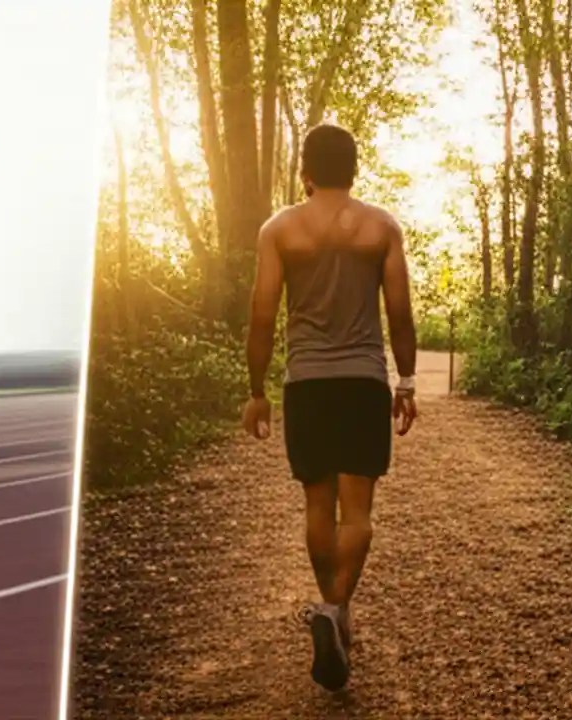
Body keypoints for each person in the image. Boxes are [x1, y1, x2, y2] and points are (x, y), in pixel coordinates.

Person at [242, 123, 417, 692]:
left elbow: (262, 314)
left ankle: (331, 608)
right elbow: (400, 314)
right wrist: (407, 382)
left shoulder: (280, 229)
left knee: (317, 505)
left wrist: (257, 390)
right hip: (363, 382)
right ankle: (337, 609)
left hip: (308, 384)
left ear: (305, 171)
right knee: (357, 513)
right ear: (355, 169)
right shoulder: (381, 227)